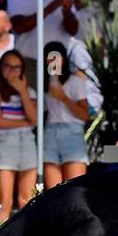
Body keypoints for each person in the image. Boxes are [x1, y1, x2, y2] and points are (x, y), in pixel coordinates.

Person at [0, 50, 38, 225]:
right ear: (0, 68)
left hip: (27, 142)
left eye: (17, 68)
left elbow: (35, 119)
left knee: (27, 201)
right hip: (5, 143)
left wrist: (22, 91)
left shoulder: (29, 91)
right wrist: (26, 122)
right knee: (5, 203)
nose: (12, 72)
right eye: (7, 66)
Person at [39, 40, 92, 189]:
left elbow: (84, 114)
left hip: (72, 132)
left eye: (56, 57)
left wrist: (63, 98)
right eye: (49, 58)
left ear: (64, 59)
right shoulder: (43, 83)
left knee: (75, 190)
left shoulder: (75, 81)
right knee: (54, 192)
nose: (53, 62)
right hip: (50, 132)